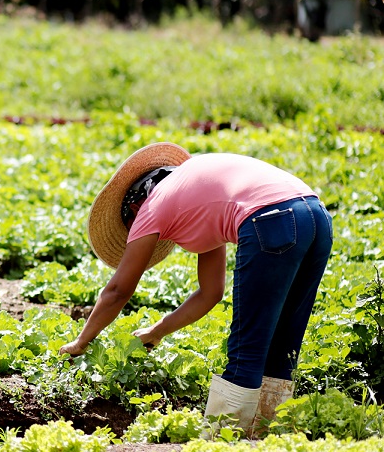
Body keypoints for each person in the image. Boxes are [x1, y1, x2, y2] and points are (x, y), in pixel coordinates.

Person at [59, 142, 332, 436]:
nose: (134, 236)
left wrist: (81, 341)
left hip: (272, 219)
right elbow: (210, 292)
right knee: (283, 347)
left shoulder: (152, 206)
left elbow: (118, 291)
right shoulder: (193, 191)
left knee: (247, 350)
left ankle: (221, 445)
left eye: (130, 227)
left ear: (134, 207)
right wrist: (158, 331)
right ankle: (268, 436)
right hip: (317, 217)